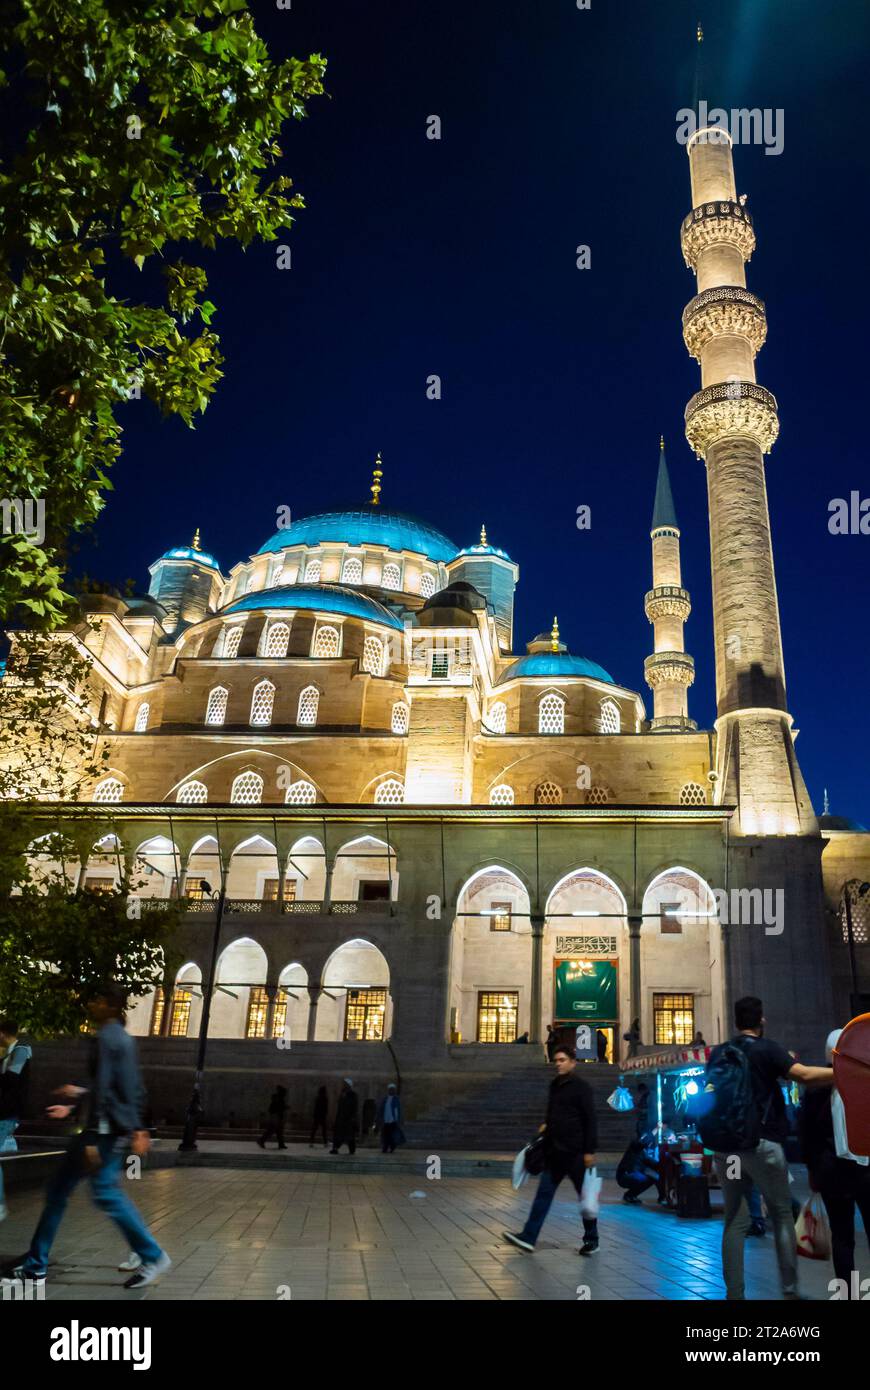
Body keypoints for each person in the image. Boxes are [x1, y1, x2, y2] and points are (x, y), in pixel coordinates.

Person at [1, 984, 170, 1291]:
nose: (89, 1003)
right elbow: (127, 1087)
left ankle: (151, 1254)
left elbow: (109, 1087)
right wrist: (78, 1100)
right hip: (107, 1128)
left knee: (100, 1192)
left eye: (95, 998)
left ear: (108, 1004)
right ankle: (37, 1264)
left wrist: (93, 1135)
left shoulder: (108, 1038)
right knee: (64, 1190)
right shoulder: (121, 1038)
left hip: (101, 1132)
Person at [708, 995, 833, 1302]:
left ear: (736, 1021)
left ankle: (734, 1295)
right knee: (780, 1213)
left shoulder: (721, 1052)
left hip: (728, 1150)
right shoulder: (768, 1048)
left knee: (734, 1221)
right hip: (762, 1145)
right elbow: (803, 1075)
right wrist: (843, 1072)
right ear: (761, 1020)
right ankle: (789, 1290)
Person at [503, 1045, 600, 1257]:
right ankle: (529, 1237)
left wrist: (589, 1151)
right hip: (555, 1152)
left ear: (573, 1062)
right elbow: (552, 1112)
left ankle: (591, 1239)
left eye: (563, 1060)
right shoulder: (555, 1085)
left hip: (575, 1153)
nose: (558, 1063)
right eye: (556, 1060)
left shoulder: (582, 1087)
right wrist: (545, 1127)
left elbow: (590, 1120)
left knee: (586, 1198)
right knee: (543, 1196)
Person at [799, 1028, 870, 1295]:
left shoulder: (816, 1089)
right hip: (865, 1169)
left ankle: (848, 1292)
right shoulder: (865, 1080)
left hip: (831, 1174)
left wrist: (811, 1170)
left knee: (842, 1237)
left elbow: (806, 1133)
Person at [0, 1019, 32, 1222]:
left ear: (2, 1033)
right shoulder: (10, 1053)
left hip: (6, 1113)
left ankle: (0, 1204)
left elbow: (11, 1079)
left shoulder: (21, 1050)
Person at [330, 1078, 359, 1155]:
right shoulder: (342, 1094)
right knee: (338, 1135)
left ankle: (352, 1149)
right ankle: (335, 1148)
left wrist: (353, 1117)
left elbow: (355, 1107)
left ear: (349, 1085)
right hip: (340, 1118)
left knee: (349, 1136)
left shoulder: (353, 1095)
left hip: (349, 1118)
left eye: (345, 1084)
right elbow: (339, 1106)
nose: (344, 1085)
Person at [257, 1085, 288, 1150]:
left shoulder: (279, 1098)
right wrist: (285, 1107)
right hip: (275, 1116)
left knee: (279, 1131)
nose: (285, 1094)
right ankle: (261, 1140)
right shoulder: (278, 1098)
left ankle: (281, 1144)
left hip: (277, 1116)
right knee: (272, 1130)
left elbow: (276, 1107)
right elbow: (278, 1107)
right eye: (284, 1093)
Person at [377, 1083, 403, 1153]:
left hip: (393, 1120)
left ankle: (392, 1146)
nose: (391, 1091)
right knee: (385, 1135)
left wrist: (398, 1120)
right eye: (390, 1090)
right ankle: (385, 1147)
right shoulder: (385, 1099)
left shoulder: (396, 1099)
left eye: (392, 1090)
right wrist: (380, 1118)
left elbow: (398, 1110)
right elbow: (381, 1109)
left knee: (391, 1135)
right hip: (385, 1120)